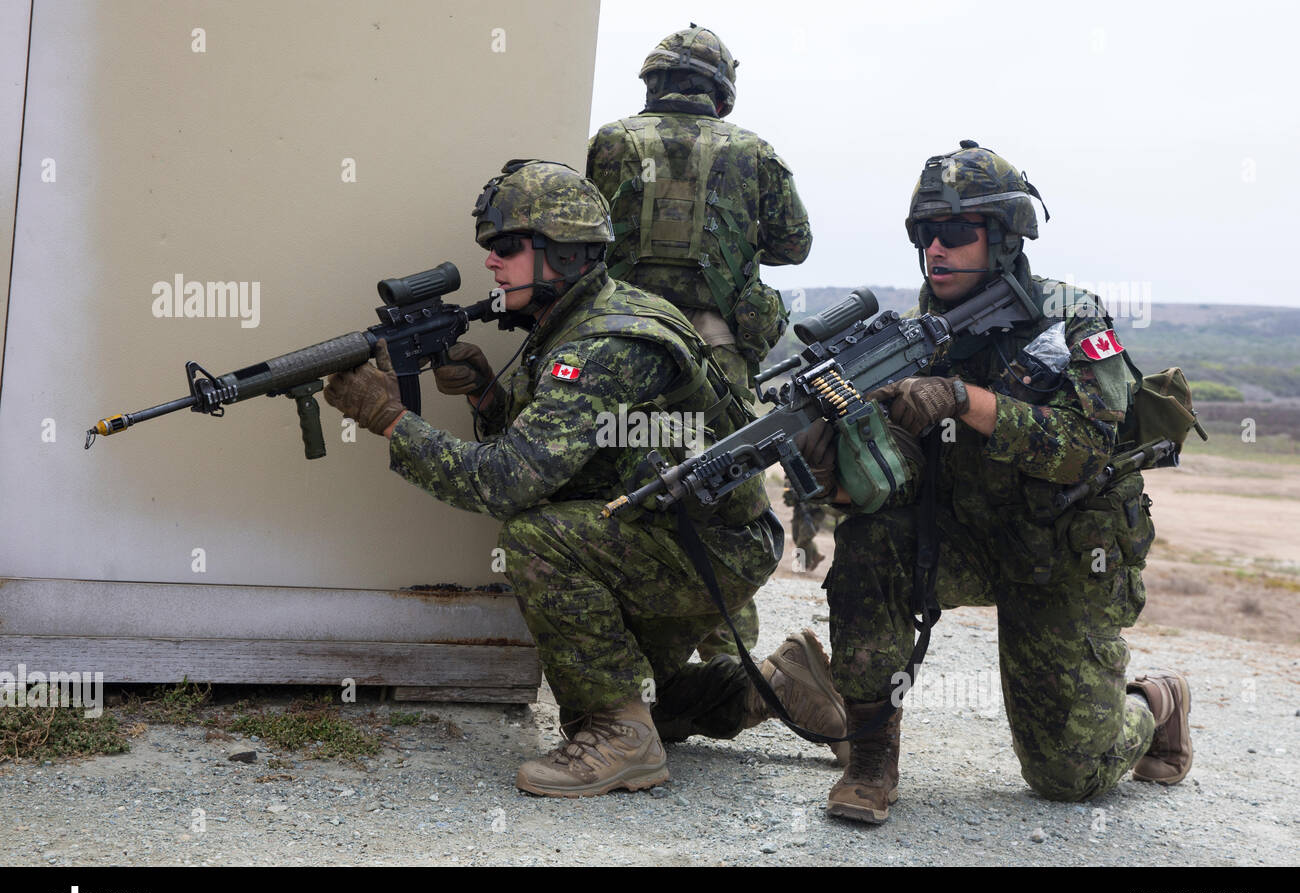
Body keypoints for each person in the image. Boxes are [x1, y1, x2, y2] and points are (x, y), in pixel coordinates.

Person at [321, 159, 847, 797]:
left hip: (707, 546)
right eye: (491, 248)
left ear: (564, 255)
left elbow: (508, 481)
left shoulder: (602, 344)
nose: (491, 263)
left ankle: (621, 740)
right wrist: (487, 395)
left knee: (537, 536)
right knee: (645, 693)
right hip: (682, 530)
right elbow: (559, 445)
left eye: (508, 248)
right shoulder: (572, 322)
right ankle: (778, 684)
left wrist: (389, 419)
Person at [804, 142, 1191, 823]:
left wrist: (960, 398)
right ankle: (869, 758)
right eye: (926, 234)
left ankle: (1152, 703)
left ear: (1006, 238)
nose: (937, 250)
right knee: (869, 540)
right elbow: (887, 485)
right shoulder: (913, 337)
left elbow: (1085, 451)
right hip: (956, 539)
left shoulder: (1071, 320)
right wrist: (836, 462)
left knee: (1068, 778)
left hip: (1059, 551)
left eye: (957, 233)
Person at [587, 23, 813, 660]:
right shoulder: (753, 150)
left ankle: (621, 650)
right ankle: (728, 656)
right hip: (716, 349)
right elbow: (795, 245)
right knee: (720, 488)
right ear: (721, 94)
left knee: (611, 474)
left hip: (622, 338)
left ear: (654, 83)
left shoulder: (610, 142)